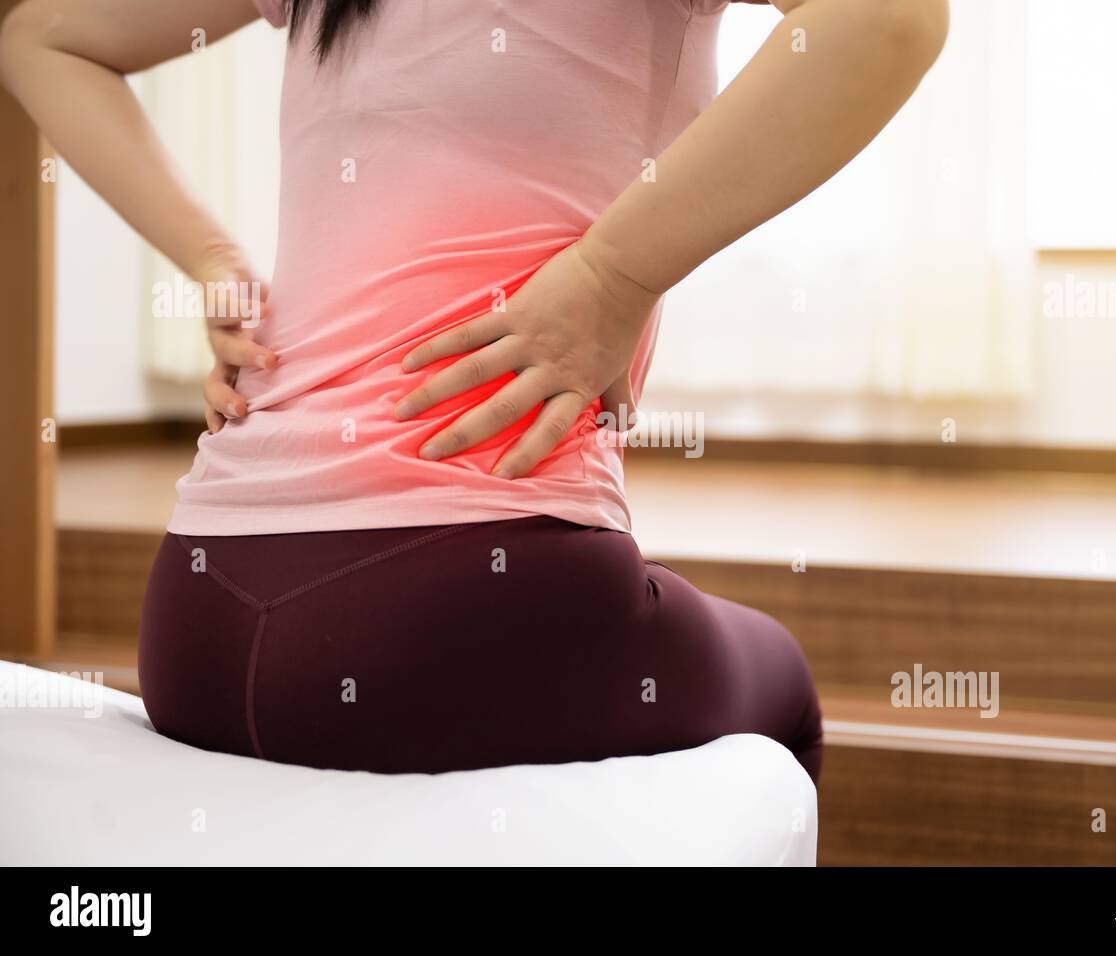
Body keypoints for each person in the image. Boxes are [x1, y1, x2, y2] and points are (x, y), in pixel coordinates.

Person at [0, 0, 948, 785]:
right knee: (781, 690)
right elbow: (893, 18)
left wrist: (215, 262)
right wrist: (612, 276)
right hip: (453, 614)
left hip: (195, 622)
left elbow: (41, 38)